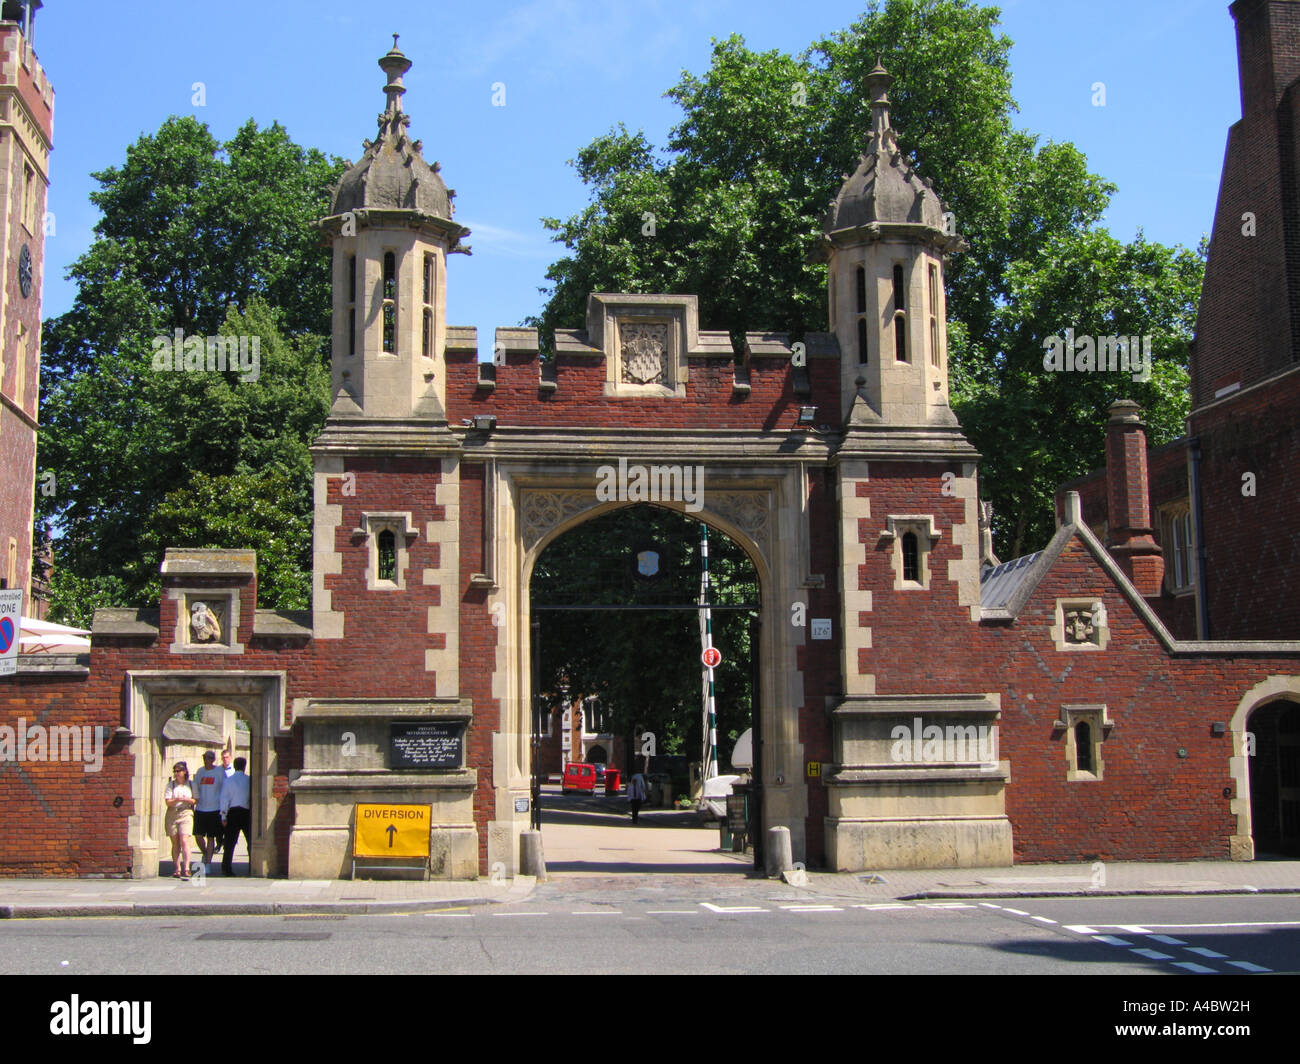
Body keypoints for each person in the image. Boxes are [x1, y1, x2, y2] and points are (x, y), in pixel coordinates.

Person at [191, 750, 225, 870]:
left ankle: (209, 863)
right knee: (198, 835)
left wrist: (224, 808)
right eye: (205, 758)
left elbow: (224, 788)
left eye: (209, 758)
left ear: (213, 760)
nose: (206, 761)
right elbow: (195, 787)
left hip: (214, 809)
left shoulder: (219, 771)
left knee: (211, 837)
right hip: (201, 808)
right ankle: (205, 853)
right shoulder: (200, 771)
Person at [163, 761, 197, 879]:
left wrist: (187, 800)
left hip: (186, 812)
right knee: (175, 842)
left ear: (184, 772)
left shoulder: (191, 785)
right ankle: (177, 868)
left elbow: (195, 800)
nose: (176, 773)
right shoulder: (171, 785)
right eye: (175, 771)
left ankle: (186, 867)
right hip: (173, 813)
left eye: (178, 771)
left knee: (184, 840)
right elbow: (168, 802)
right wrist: (176, 799)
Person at [220, 756, 252, 876]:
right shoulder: (249, 780)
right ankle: (252, 866)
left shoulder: (229, 781)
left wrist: (223, 815)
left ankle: (226, 867)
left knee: (229, 842)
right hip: (245, 812)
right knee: (250, 840)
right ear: (244, 766)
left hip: (232, 812)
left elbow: (224, 799)